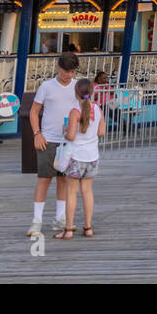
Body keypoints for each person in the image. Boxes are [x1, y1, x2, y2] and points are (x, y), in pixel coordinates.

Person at [28, 52, 79, 238]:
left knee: (64, 179)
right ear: (58, 68)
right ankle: (36, 221)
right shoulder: (46, 86)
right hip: (48, 138)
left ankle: (60, 218)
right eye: (66, 71)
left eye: (72, 71)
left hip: (70, 140)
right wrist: (37, 134)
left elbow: (86, 107)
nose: (69, 75)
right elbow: (34, 111)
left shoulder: (77, 87)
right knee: (44, 178)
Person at [55, 78, 105, 239]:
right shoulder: (98, 110)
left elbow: (70, 136)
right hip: (92, 157)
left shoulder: (74, 111)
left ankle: (68, 230)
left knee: (71, 193)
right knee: (87, 192)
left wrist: (64, 130)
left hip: (76, 156)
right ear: (91, 92)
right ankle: (88, 227)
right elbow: (101, 132)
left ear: (76, 92)